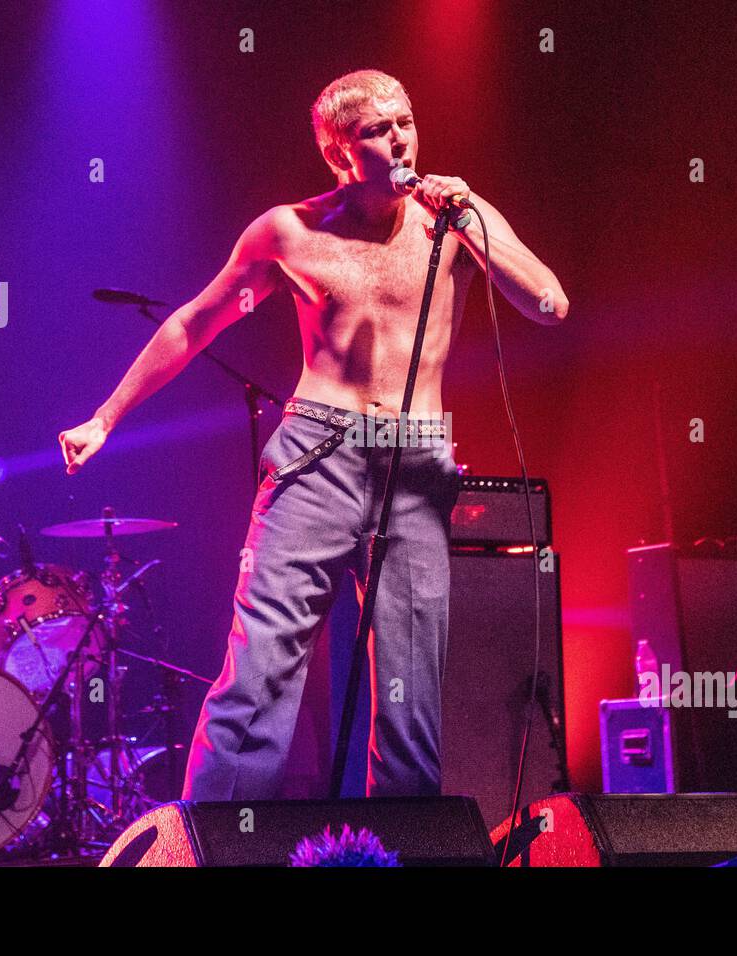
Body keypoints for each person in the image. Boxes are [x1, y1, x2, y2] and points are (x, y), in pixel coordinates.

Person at [58, 69, 568, 801]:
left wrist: (470, 225)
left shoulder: (453, 214)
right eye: (378, 131)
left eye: (407, 121)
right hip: (318, 455)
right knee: (262, 667)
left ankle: (402, 849)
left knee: (411, 683)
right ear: (337, 152)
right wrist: (106, 416)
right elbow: (195, 322)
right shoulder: (289, 231)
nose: (400, 139)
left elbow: (549, 303)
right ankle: (219, 841)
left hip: (418, 464)